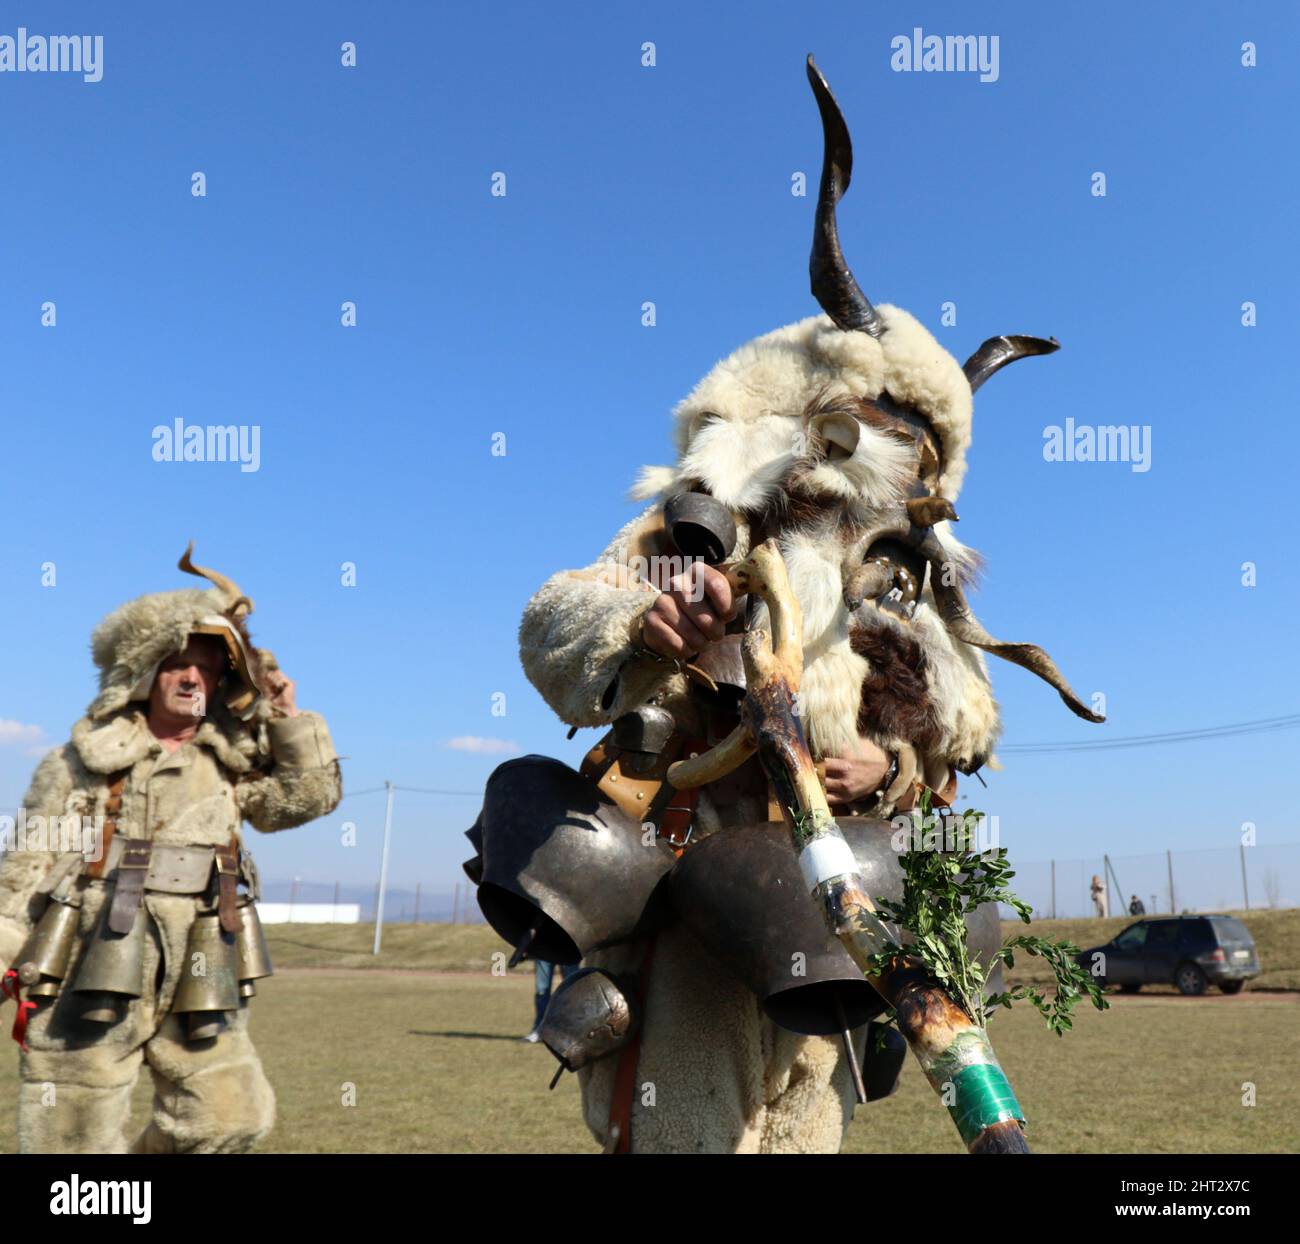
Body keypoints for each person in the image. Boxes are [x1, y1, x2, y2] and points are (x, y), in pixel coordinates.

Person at [0, 547, 341, 1153]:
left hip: (205, 954)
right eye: (176, 665)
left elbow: (305, 798)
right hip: (90, 954)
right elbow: (26, 867)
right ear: (142, 674)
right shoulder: (82, 763)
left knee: (229, 1118)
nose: (191, 679)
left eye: (207, 669)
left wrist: (288, 716)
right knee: (69, 1135)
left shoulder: (233, 765)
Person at [523, 958, 577, 1042]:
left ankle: (575, 1031)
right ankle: (540, 1030)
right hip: (544, 949)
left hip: (568, 949)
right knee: (542, 990)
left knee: (574, 988)